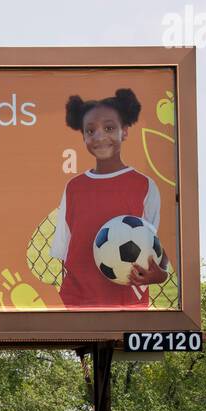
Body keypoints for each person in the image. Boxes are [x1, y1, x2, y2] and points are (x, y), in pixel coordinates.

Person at [51, 87, 170, 308]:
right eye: (90, 131)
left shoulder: (145, 185)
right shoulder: (73, 187)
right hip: (78, 303)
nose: (99, 137)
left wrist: (160, 275)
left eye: (108, 128)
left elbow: (158, 244)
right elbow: (64, 252)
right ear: (83, 137)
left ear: (124, 131)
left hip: (128, 305)